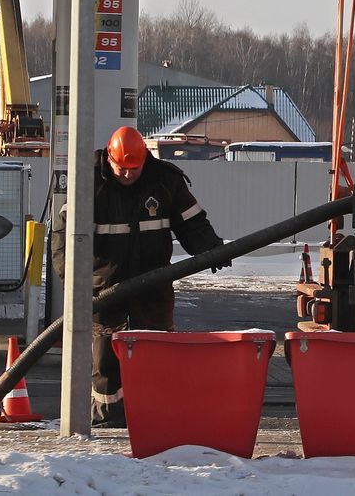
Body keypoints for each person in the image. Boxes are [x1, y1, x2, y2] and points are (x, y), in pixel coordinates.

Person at [51, 126, 226, 427]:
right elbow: (62, 240)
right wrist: (75, 283)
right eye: (123, 168)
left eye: (135, 168)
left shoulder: (164, 181)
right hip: (104, 293)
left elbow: (192, 223)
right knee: (106, 366)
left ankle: (156, 421)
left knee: (157, 358)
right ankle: (109, 421)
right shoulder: (89, 185)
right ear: (110, 158)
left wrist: (210, 248)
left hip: (152, 291)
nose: (129, 175)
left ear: (145, 159)